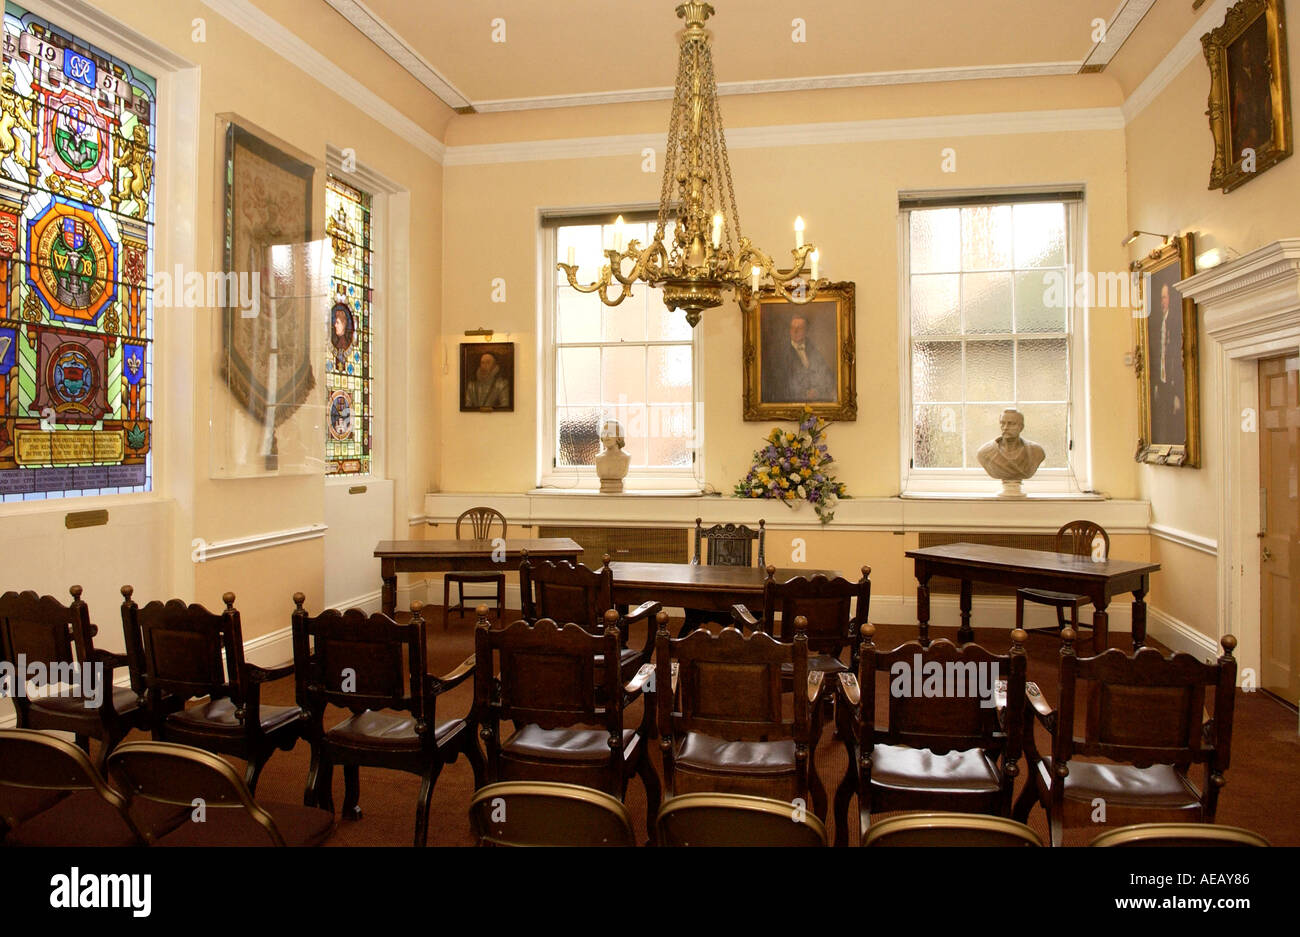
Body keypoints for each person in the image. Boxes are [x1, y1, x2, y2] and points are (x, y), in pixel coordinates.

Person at [763, 313, 835, 402]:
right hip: (791, 402)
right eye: (792, 328)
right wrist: (804, 394)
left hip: (814, 402)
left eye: (800, 328)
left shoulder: (813, 350)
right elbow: (779, 384)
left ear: (806, 331)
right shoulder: (781, 354)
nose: (795, 331)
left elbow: (827, 376)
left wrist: (817, 391)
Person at [976, 409, 1046, 481]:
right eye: (1002, 423)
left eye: (1011, 424)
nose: (1005, 428)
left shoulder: (1036, 451)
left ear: (1021, 427)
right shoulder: (985, 453)